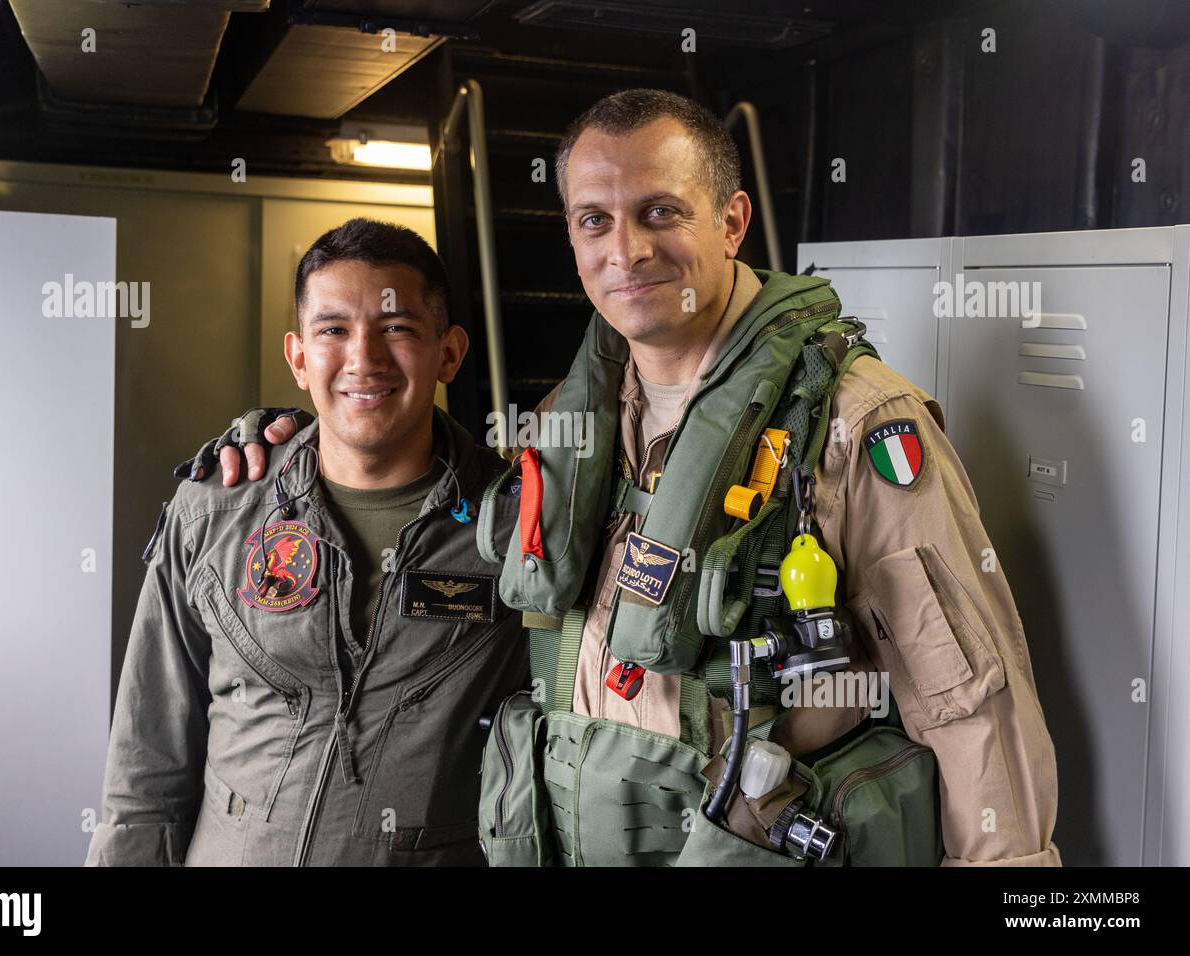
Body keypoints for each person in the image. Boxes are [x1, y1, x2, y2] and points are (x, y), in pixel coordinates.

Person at [201, 90, 1061, 866]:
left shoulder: (853, 423)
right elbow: (415, 487)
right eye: (594, 220)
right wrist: (290, 445)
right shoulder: (567, 426)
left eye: (660, 212)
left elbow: (971, 703)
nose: (628, 250)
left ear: (731, 221)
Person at [86, 218, 526, 866]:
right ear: (298, 357)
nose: (364, 359)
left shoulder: (518, 533)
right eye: (333, 330)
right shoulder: (214, 513)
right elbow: (145, 772)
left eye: (396, 328)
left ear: (449, 352)